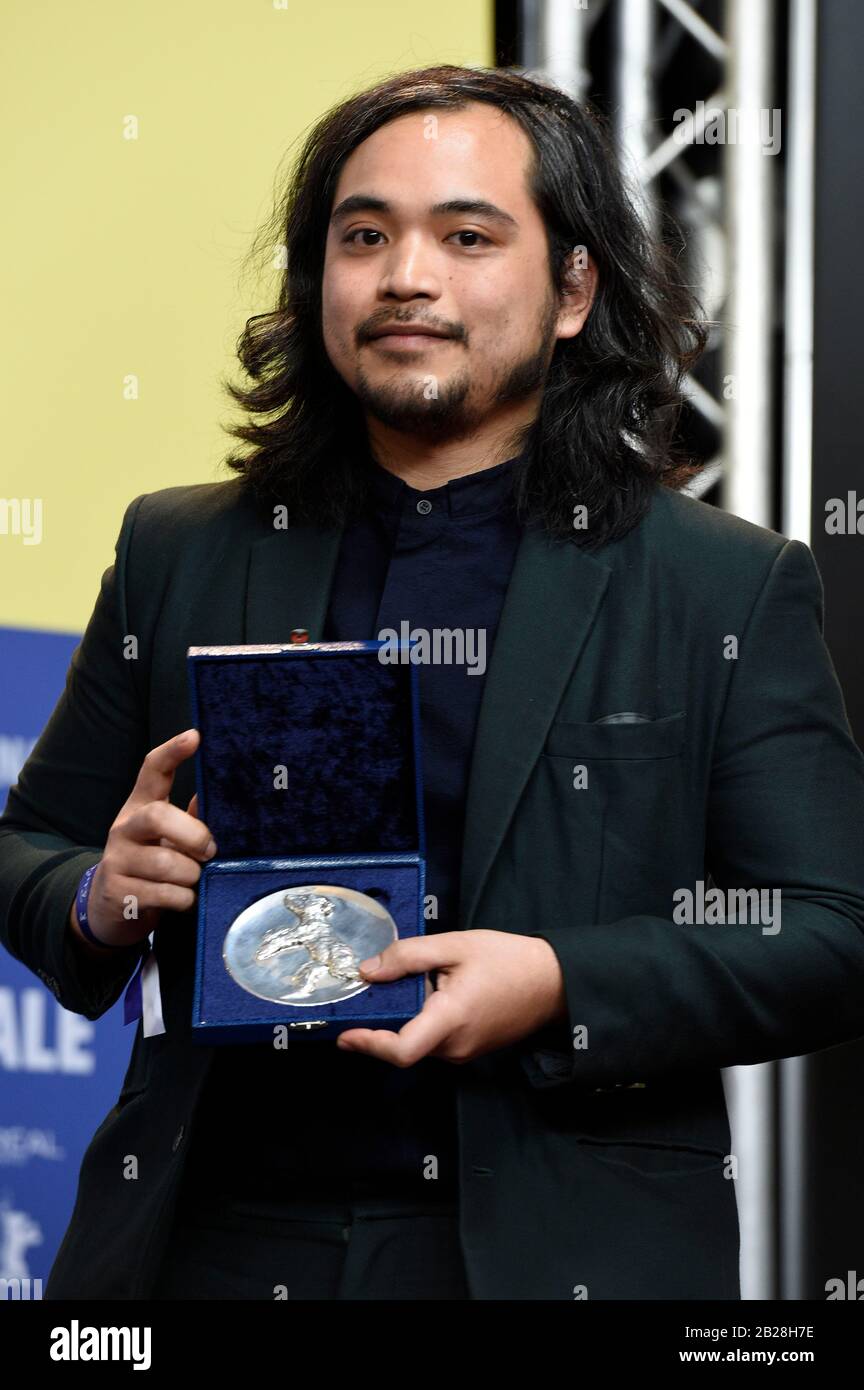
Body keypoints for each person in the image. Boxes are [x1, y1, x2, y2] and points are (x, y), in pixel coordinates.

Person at [2, 63, 864, 1302]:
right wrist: (98, 892)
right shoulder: (179, 549)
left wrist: (561, 980)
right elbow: (29, 843)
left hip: (545, 1248)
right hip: (206, 1242)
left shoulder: (719, 586)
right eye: (365, 236)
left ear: (574, 290)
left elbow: (831, 931)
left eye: (467, 236)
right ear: (318, 284)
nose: (408, 275)